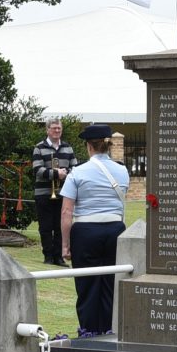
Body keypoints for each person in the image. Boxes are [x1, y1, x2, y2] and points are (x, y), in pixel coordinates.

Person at [59, 124, 129, 337]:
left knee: (87, 284)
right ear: (108, 146)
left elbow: (66, 212)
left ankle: (88, 331)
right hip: (115, 229)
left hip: (86, 231)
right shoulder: (123, 171)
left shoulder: (77, 173)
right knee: (110, 284)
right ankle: (108, 331)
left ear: (89, 147)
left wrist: (65, 244)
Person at [29, 119, 75, 267]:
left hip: (63, 193)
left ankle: (59, 257)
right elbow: (37, 170)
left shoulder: (68, 148)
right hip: (43, 193)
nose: (57, 131)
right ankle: (48, 256)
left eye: (59, 128)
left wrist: (65, 173)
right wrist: (56, 174)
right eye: (54, 128)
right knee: (45, 226)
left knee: (60, 226)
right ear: (47, 130)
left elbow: (75, 168)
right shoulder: (39, 148)